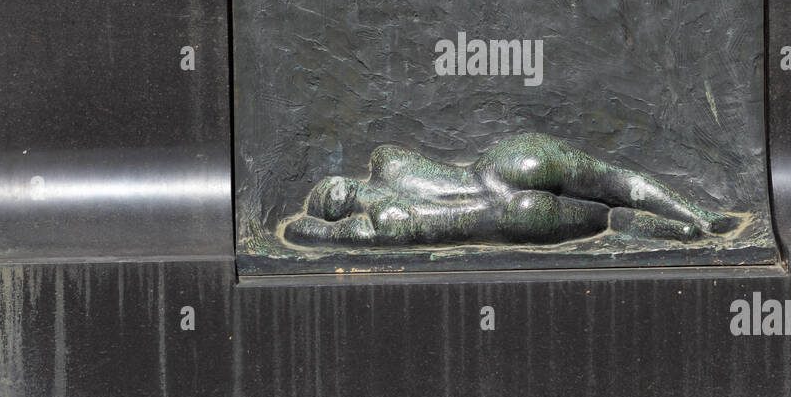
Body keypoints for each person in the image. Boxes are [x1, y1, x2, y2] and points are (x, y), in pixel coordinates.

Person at [280, 132, 739, 247]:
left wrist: (314, 222)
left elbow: (304, 232)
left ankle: (678, 227)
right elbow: (308, 232)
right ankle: (694, 216)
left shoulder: (379, 222)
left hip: (509, 213)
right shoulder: (388, 162)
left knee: (606, 210)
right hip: (504, 171)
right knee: (607, 182)